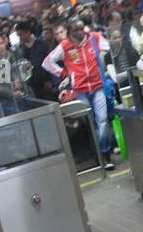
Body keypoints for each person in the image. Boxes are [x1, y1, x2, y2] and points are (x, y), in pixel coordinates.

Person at [42, 17, 118, 170]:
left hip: (97, 88)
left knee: (102, 121)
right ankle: (96, 155)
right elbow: (47, 63)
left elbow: (111, 47)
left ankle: (105, 154)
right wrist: (64, 73)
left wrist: (115, 43)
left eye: (82, 28)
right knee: (88, 124)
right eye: (76, 30)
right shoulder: (65, 46)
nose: (80, 32)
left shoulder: (94, 38)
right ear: (70, 32)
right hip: (80, 92)